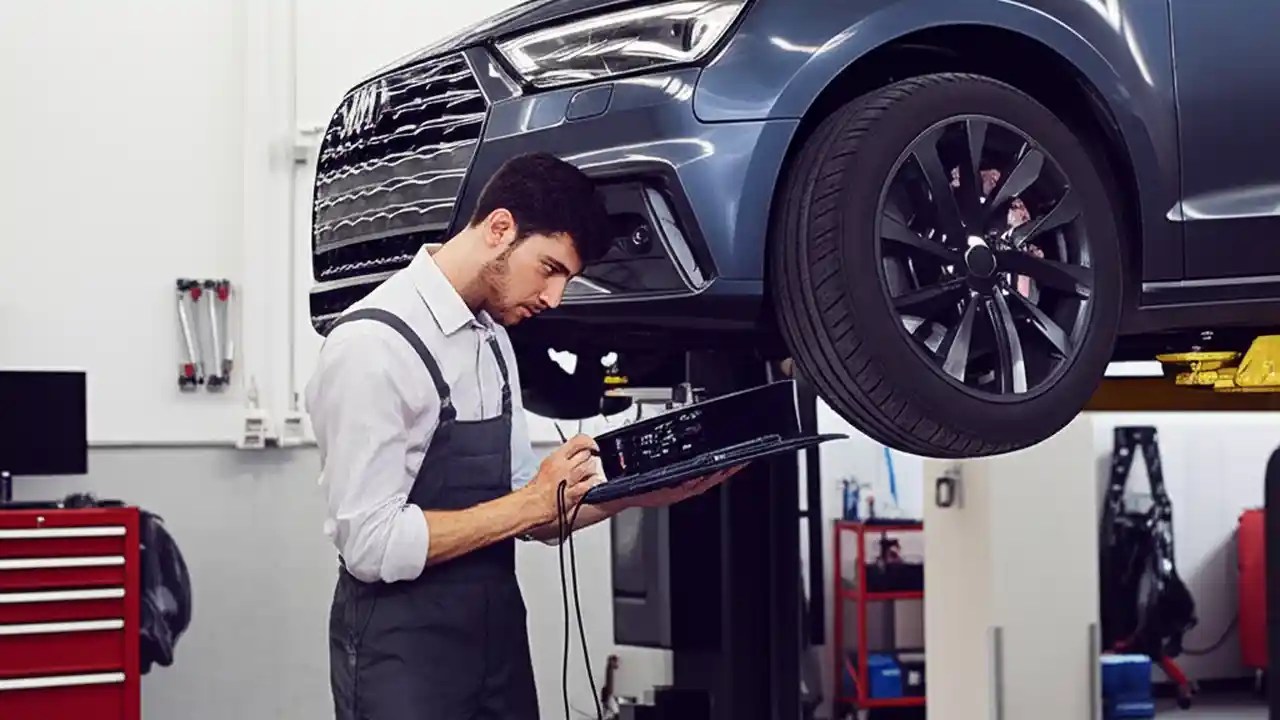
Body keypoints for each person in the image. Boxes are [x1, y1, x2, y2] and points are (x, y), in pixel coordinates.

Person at [305, 152, 745, 720]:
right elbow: (371, 545)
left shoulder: (492, 339)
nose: (554, 298)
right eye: (551, 268)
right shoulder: (372, 347)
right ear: (500, 229)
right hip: (402, 656)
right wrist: (529, 503)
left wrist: (641, 494)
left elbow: (531, 505)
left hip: (495, 644)